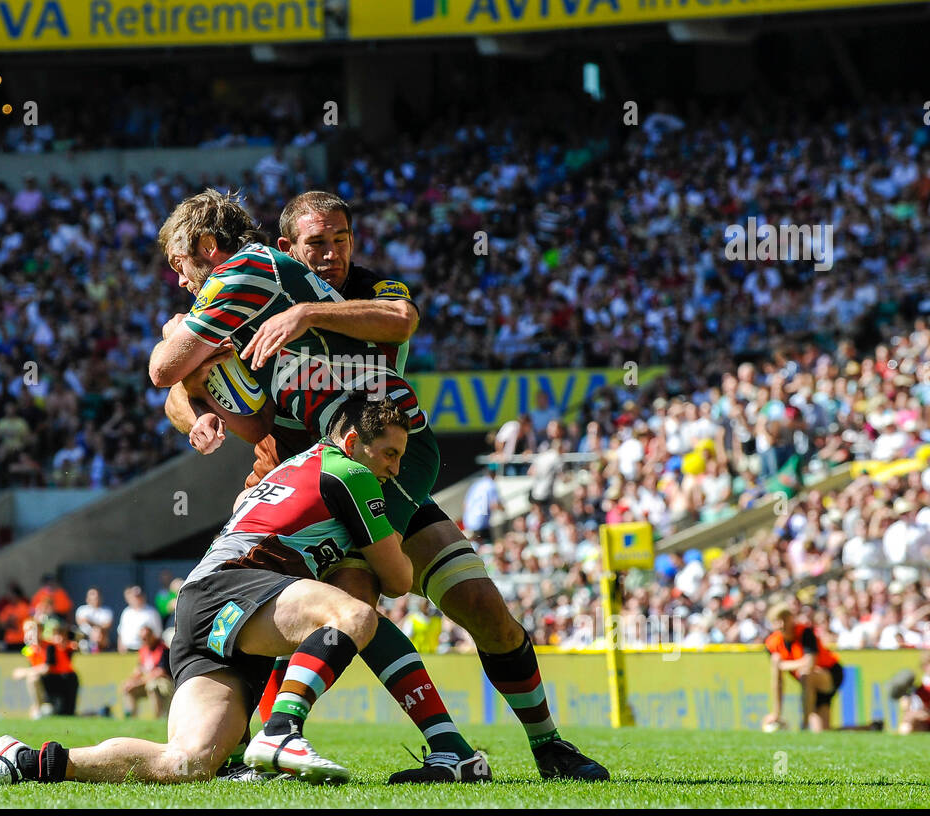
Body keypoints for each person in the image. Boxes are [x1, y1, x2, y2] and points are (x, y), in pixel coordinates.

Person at [148, 189, 608, 781]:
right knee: (347, 602)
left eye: (342, 239)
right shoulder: (247, 307)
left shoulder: (367, 289)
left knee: (478, 607)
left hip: (377, 469)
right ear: (288, 247)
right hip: (306, 478)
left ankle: (544, 747)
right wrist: (201, 415)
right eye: (318, 243)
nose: (333, 253)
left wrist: (306, 314)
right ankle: (284, 742)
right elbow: (176, 387)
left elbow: (401, 320)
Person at [0, 398, 479, 787]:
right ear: (351, 442)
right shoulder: (350, 473)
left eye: (399, 457)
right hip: (234, 589)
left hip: (204, 604)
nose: (393, 467)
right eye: (388, 453)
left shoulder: (291, 468)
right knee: (354, 616)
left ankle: (26, 760)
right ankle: (282, 731)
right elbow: (400, 580)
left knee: (188, 761)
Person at [762, 603, 845, 732]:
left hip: (829, 674)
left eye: (784, 619)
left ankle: (804, 725)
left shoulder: (805, 633)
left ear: (791, 619)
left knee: (806, 675)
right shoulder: (772, 644)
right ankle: (869, 728)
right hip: (811, 687)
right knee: (823, 731)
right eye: (777, 621)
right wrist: (776, 713)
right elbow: (777, 680)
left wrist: (782, 665)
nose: (782, 625)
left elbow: (810, 663)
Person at [121, 625, 173, 718]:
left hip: (164, 683)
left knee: (152, 686)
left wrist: (140, 682)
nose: (144, 640)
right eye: (142, 638)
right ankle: (131, 718)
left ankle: (158, 717)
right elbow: (139, 670)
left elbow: (160, 672)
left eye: (146, 637)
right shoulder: (143, 650)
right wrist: (131, 681)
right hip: (147, 680)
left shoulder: (162, 649)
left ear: (152, 635)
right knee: (128, 688)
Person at [462, 464, 503, 543]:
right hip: (481, 525)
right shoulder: (491, 485)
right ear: (495, 474)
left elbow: (465, 505)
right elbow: (494, 505)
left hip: (468, 523)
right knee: (487, 549)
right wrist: (503, 509)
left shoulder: (476, 484)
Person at [116, 586, 162, 652]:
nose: (137, 599)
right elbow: (120, 632)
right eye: (134, 597)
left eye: (139, 596)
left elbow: (158, 633)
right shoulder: (126, 612)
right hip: (127, 650)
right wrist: (120, 649)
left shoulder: (152, 612)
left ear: (143, 597)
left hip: (145, 650)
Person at [75, 587, 115, 652]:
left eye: (96, 598)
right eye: (92, 598)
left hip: (101, 638)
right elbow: (80, 622)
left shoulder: (107, 611)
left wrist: (93, 626)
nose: (94, 600)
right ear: (87, 599)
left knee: (98, 633)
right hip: (84, 638)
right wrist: (96, 627)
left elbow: (107, 625)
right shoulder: (82, 609)